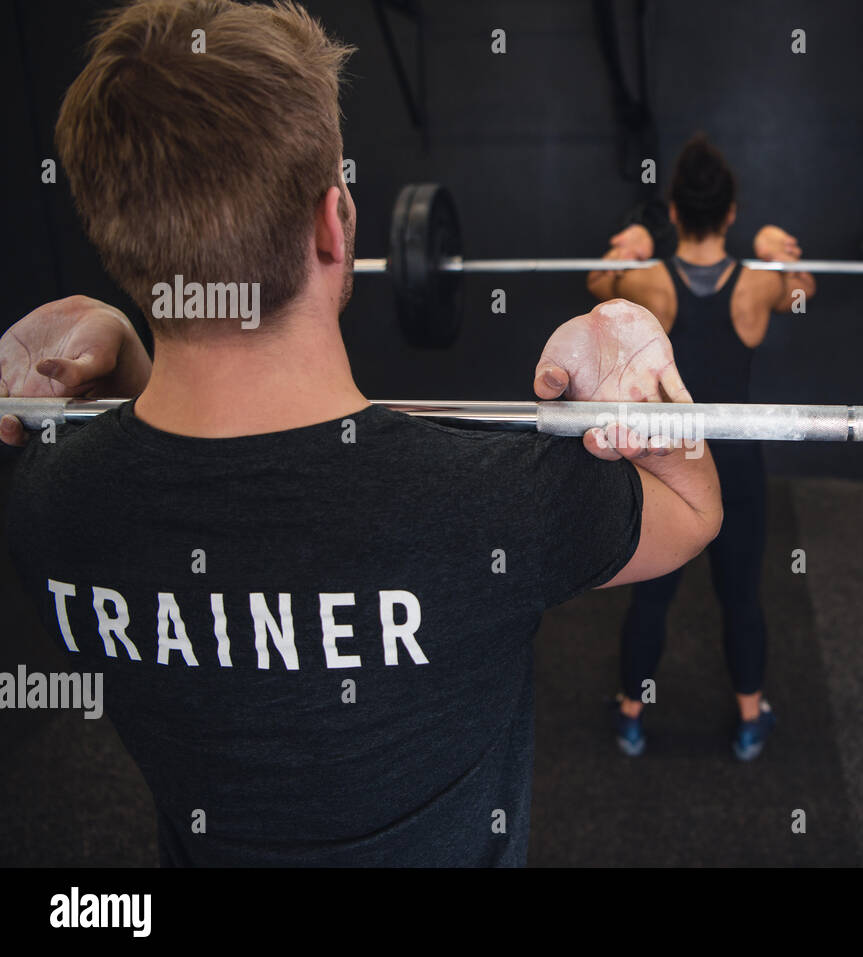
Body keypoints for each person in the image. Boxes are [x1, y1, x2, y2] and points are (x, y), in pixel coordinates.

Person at [0, 0, 721, 866]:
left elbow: (189, 488)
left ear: (121, 238)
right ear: (332, 223)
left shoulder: (49, 506)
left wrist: (123, 364)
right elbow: (693, 508)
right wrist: (630, 335)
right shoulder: (493, 502)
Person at [586, 134, 815, 760]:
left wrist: (620, 249)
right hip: (735, 460)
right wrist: (780, 250)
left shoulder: (645, 282)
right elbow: (803, 295)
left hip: (666, 458)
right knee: (741, 591)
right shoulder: (759, 285)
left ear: (676, 212)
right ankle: (749, 718)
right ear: (731, 213)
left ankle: (631, 715)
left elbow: (597, 287)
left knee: (651, 590)